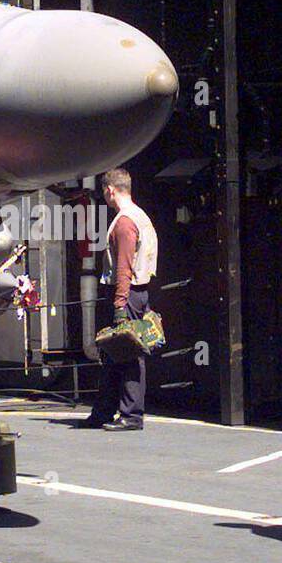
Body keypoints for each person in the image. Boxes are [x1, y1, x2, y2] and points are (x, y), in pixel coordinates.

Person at [83, 167, 158, 431]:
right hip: (136, 292)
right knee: (116, 354)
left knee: (128, 354)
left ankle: (131, 415)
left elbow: (124, 267)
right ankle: (104, 411)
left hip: (126, 294)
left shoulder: (125, 222)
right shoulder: (140, 217)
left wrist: (119, 306)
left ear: (110, 190)